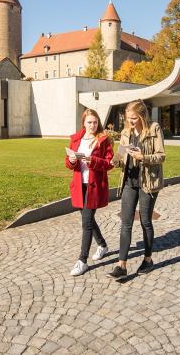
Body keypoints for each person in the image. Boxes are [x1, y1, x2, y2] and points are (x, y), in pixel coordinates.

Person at [108, 100, 165, 278]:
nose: (130, 121)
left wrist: (143, 157)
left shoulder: (154, 128)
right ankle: (121, 265)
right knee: (126, 223)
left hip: (148, 182)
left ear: (141, 116)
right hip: (129, 182)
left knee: (145, 222)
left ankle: (148, 260)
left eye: (133, 118)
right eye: (128, 118)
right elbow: (120, 153)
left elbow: (161, 156)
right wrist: (115, 160)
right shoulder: (126, 132)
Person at [65, 108, 114, 276]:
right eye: (89, 122)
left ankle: (82, 261)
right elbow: (68, 163)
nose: (93, 125)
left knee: (86, 222)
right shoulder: (76, 139)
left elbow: (110, 163)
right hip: (79, 185)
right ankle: (102, 245)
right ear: (84, 123)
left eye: (95, 122)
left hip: (95, 186)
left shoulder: (103, 139)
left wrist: (93, 160)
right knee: (89, 219)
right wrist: (71, 160)